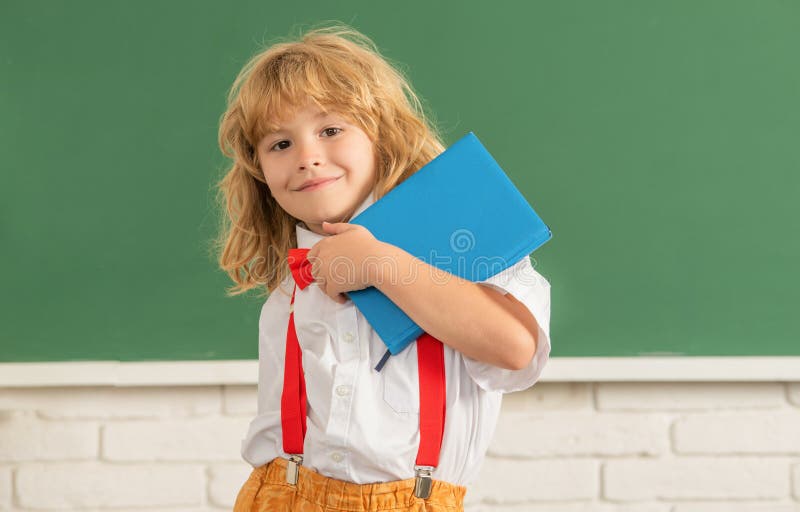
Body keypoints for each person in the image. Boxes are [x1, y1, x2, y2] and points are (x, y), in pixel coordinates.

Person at [214, 22, 552, 512]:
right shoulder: (291, 286)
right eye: (279, 144)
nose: (307, 157)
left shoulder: (465, 250)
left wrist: (380, 264)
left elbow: (515, 348)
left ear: (382, 136)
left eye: (331, 130)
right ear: (259, 172)